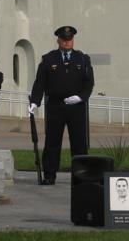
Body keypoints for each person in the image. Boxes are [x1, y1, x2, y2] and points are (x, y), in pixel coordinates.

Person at [29, 25, 94, 185]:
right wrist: (34, 102)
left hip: (76, 107)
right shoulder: (48, 59)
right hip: (55, 105)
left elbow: (89, 83)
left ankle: (81, 177)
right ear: (58, 40)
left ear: (73, 40)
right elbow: (40, 83)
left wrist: (80, 98)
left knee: (79, 142)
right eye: (64, 40)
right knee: (52, 141)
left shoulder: (83, 59)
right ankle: (49, 175)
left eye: (69, 39)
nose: (67, 42)